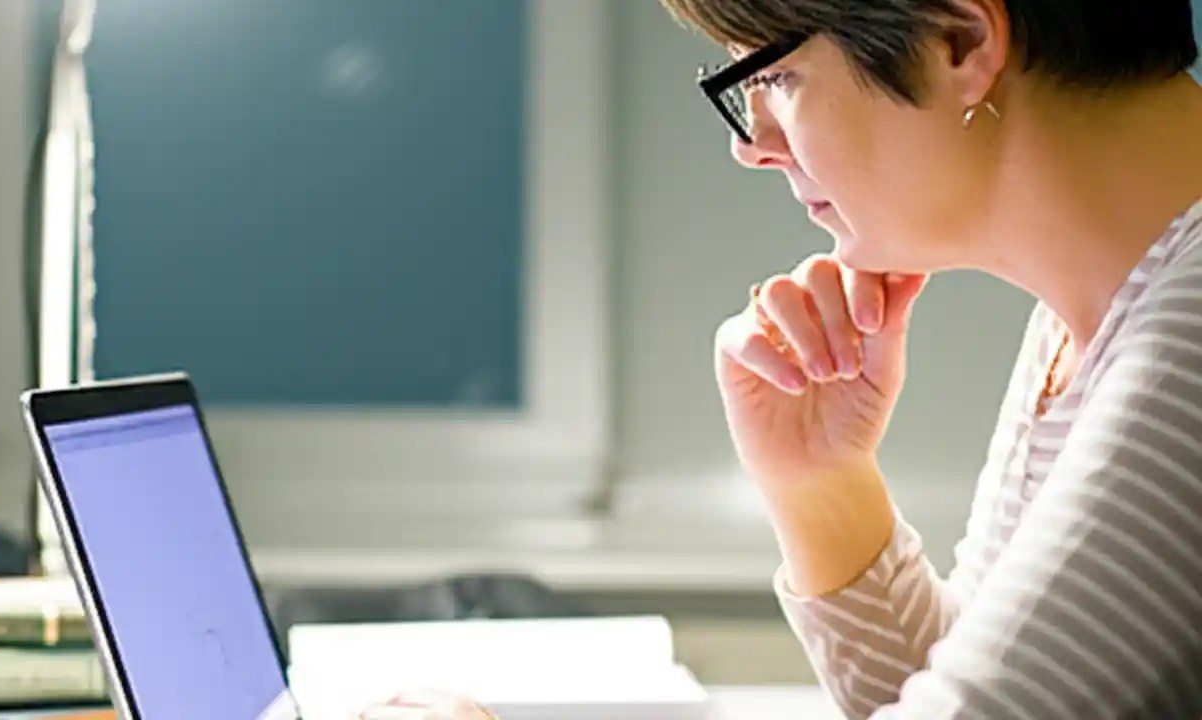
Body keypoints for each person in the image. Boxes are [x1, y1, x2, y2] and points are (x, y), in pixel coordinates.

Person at [357, 0, 1202, 717]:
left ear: (960, 43)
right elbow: (986, 687)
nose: (751, 143)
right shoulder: (1092, 320)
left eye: (771, 78)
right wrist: (821, 488)